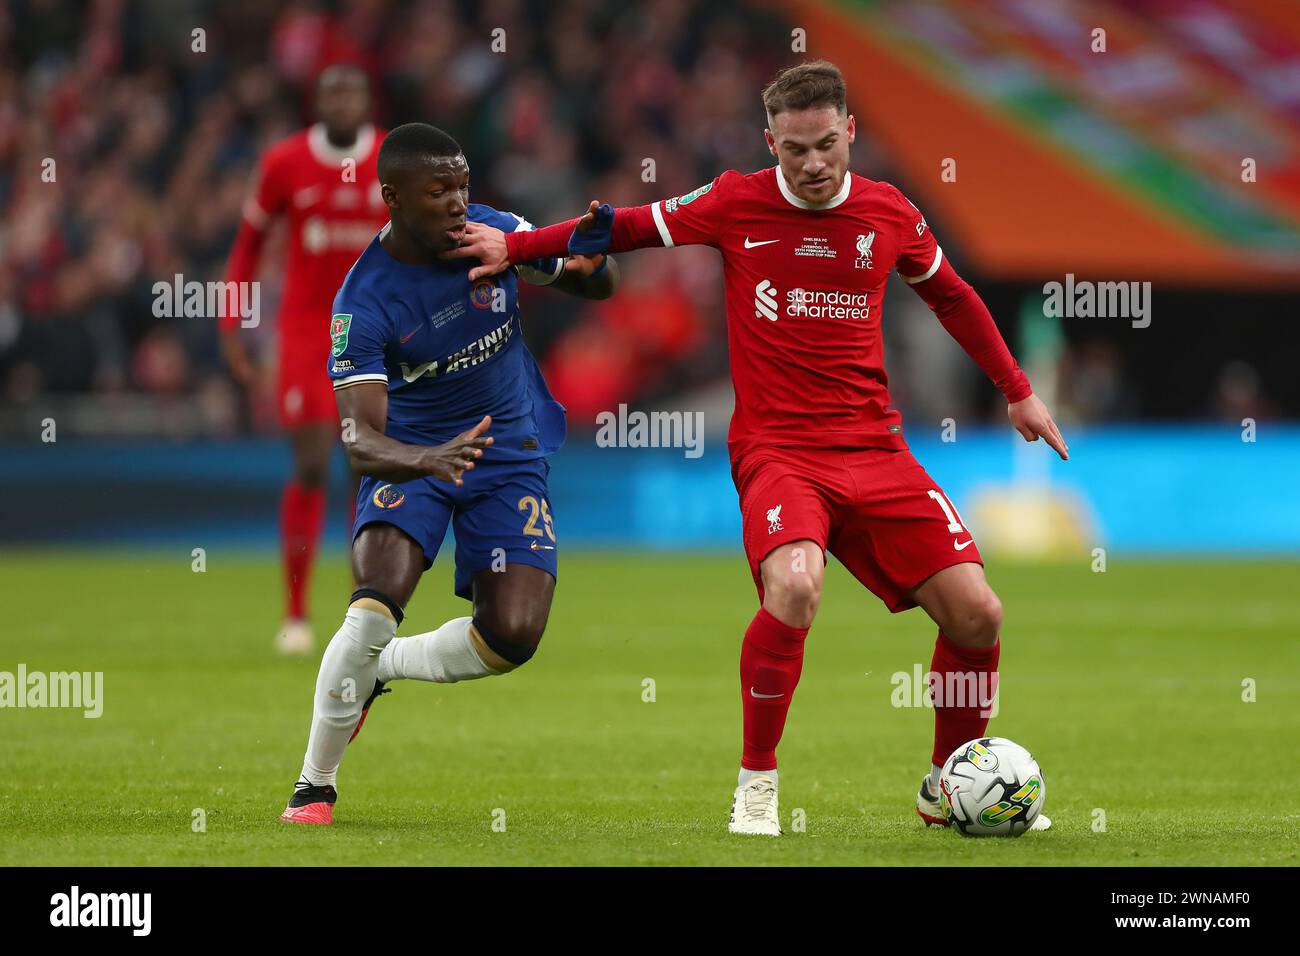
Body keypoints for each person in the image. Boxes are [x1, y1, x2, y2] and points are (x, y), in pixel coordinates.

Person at [448, 60, 1068, 836]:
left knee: (978, 614)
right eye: (794, 149)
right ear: (769, 141)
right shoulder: (736, 200)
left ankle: (949, 784)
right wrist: (522, 246)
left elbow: (952, 295)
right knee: (795, 588)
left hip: (876, 451)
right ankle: (758, 784)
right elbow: (627, 226)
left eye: (824, 147)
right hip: (779, 452)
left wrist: (1017, 389)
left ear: (850, 133)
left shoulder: (890, 213)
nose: (811, 165)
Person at [279, 122, 618, 825]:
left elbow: (598, 285)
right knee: (375, 599)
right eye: (440, 191)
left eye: (463, 185)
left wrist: (582, 248)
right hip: (412, 456)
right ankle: (314, 785)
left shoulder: (494, 234)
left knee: (514, 635)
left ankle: (382, 671)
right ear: (393, 198)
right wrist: (425, 461)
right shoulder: (365, 301)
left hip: (507, 452)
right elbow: (358, 439)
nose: (459, 203)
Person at [222, 64, 388, 655]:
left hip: (374, 329)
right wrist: (232, 322)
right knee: (313, 461)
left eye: (353, 92)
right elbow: (247, 247)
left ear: (367, 100)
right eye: (333, 93)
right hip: (306, 331)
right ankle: (295, 613)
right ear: (318, 102)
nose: (343, 102)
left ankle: (360, 612)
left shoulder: (393, 160)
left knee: (366, 467)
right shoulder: (284, 163)